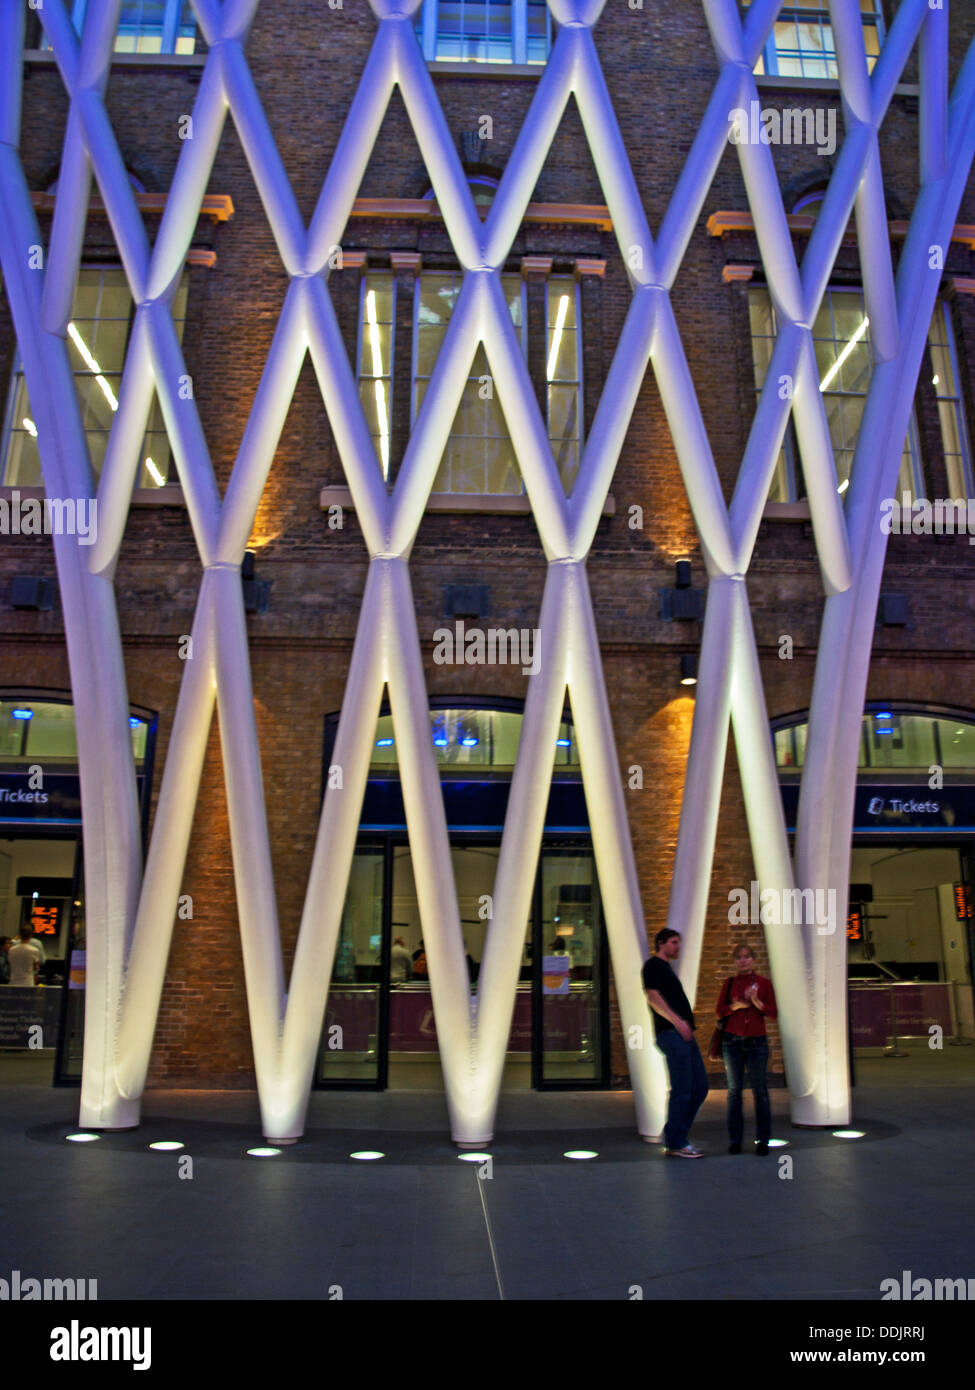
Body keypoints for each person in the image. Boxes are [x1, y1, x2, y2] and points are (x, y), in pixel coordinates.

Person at [643, 928, 709, 1157]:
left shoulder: (666, 969)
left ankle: (674, 1133)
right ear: (661, 943)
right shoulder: (653, 966)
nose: (677, 946)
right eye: (673, 942)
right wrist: (678, 1022)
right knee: (682, 1088)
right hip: (672, 1034)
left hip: (683, 1035)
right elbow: (653, 997)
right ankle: (677, 1142)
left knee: (700, 1086)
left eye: (678, 942)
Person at [716, 942, 778, 1155]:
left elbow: (773, 1012)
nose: (743, 960)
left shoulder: (764, 983)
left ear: (753, 959)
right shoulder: (730, 983)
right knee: (734, 1092)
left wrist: (755, 1001)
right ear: (735, 961)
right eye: (739, 957)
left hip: (756, 1041)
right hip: (732, 1041)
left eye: (746, 956)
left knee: (760, 1091)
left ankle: (763, 1140)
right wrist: (736, 1006)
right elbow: (719, 1011)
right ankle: (735, 1140)